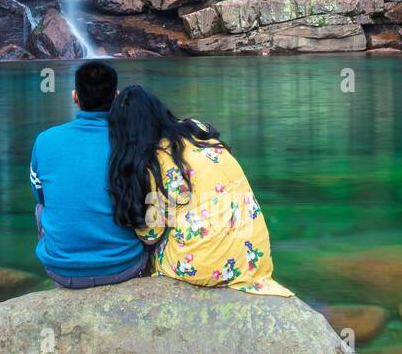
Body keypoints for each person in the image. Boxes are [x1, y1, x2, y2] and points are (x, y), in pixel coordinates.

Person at [107, 85, 291, 297]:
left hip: (203, 264)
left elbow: (151, 235)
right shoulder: (197, 129)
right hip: (252, 256)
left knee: (144, 255)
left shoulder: (155, 163)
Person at [29, 61, 148, 288]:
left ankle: (66, 282)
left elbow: (40, 196)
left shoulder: (45, 140)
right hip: (125, 265)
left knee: (41, 208)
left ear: (75, 96)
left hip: (61, 270)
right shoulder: (133, 141)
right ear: (116, 96)